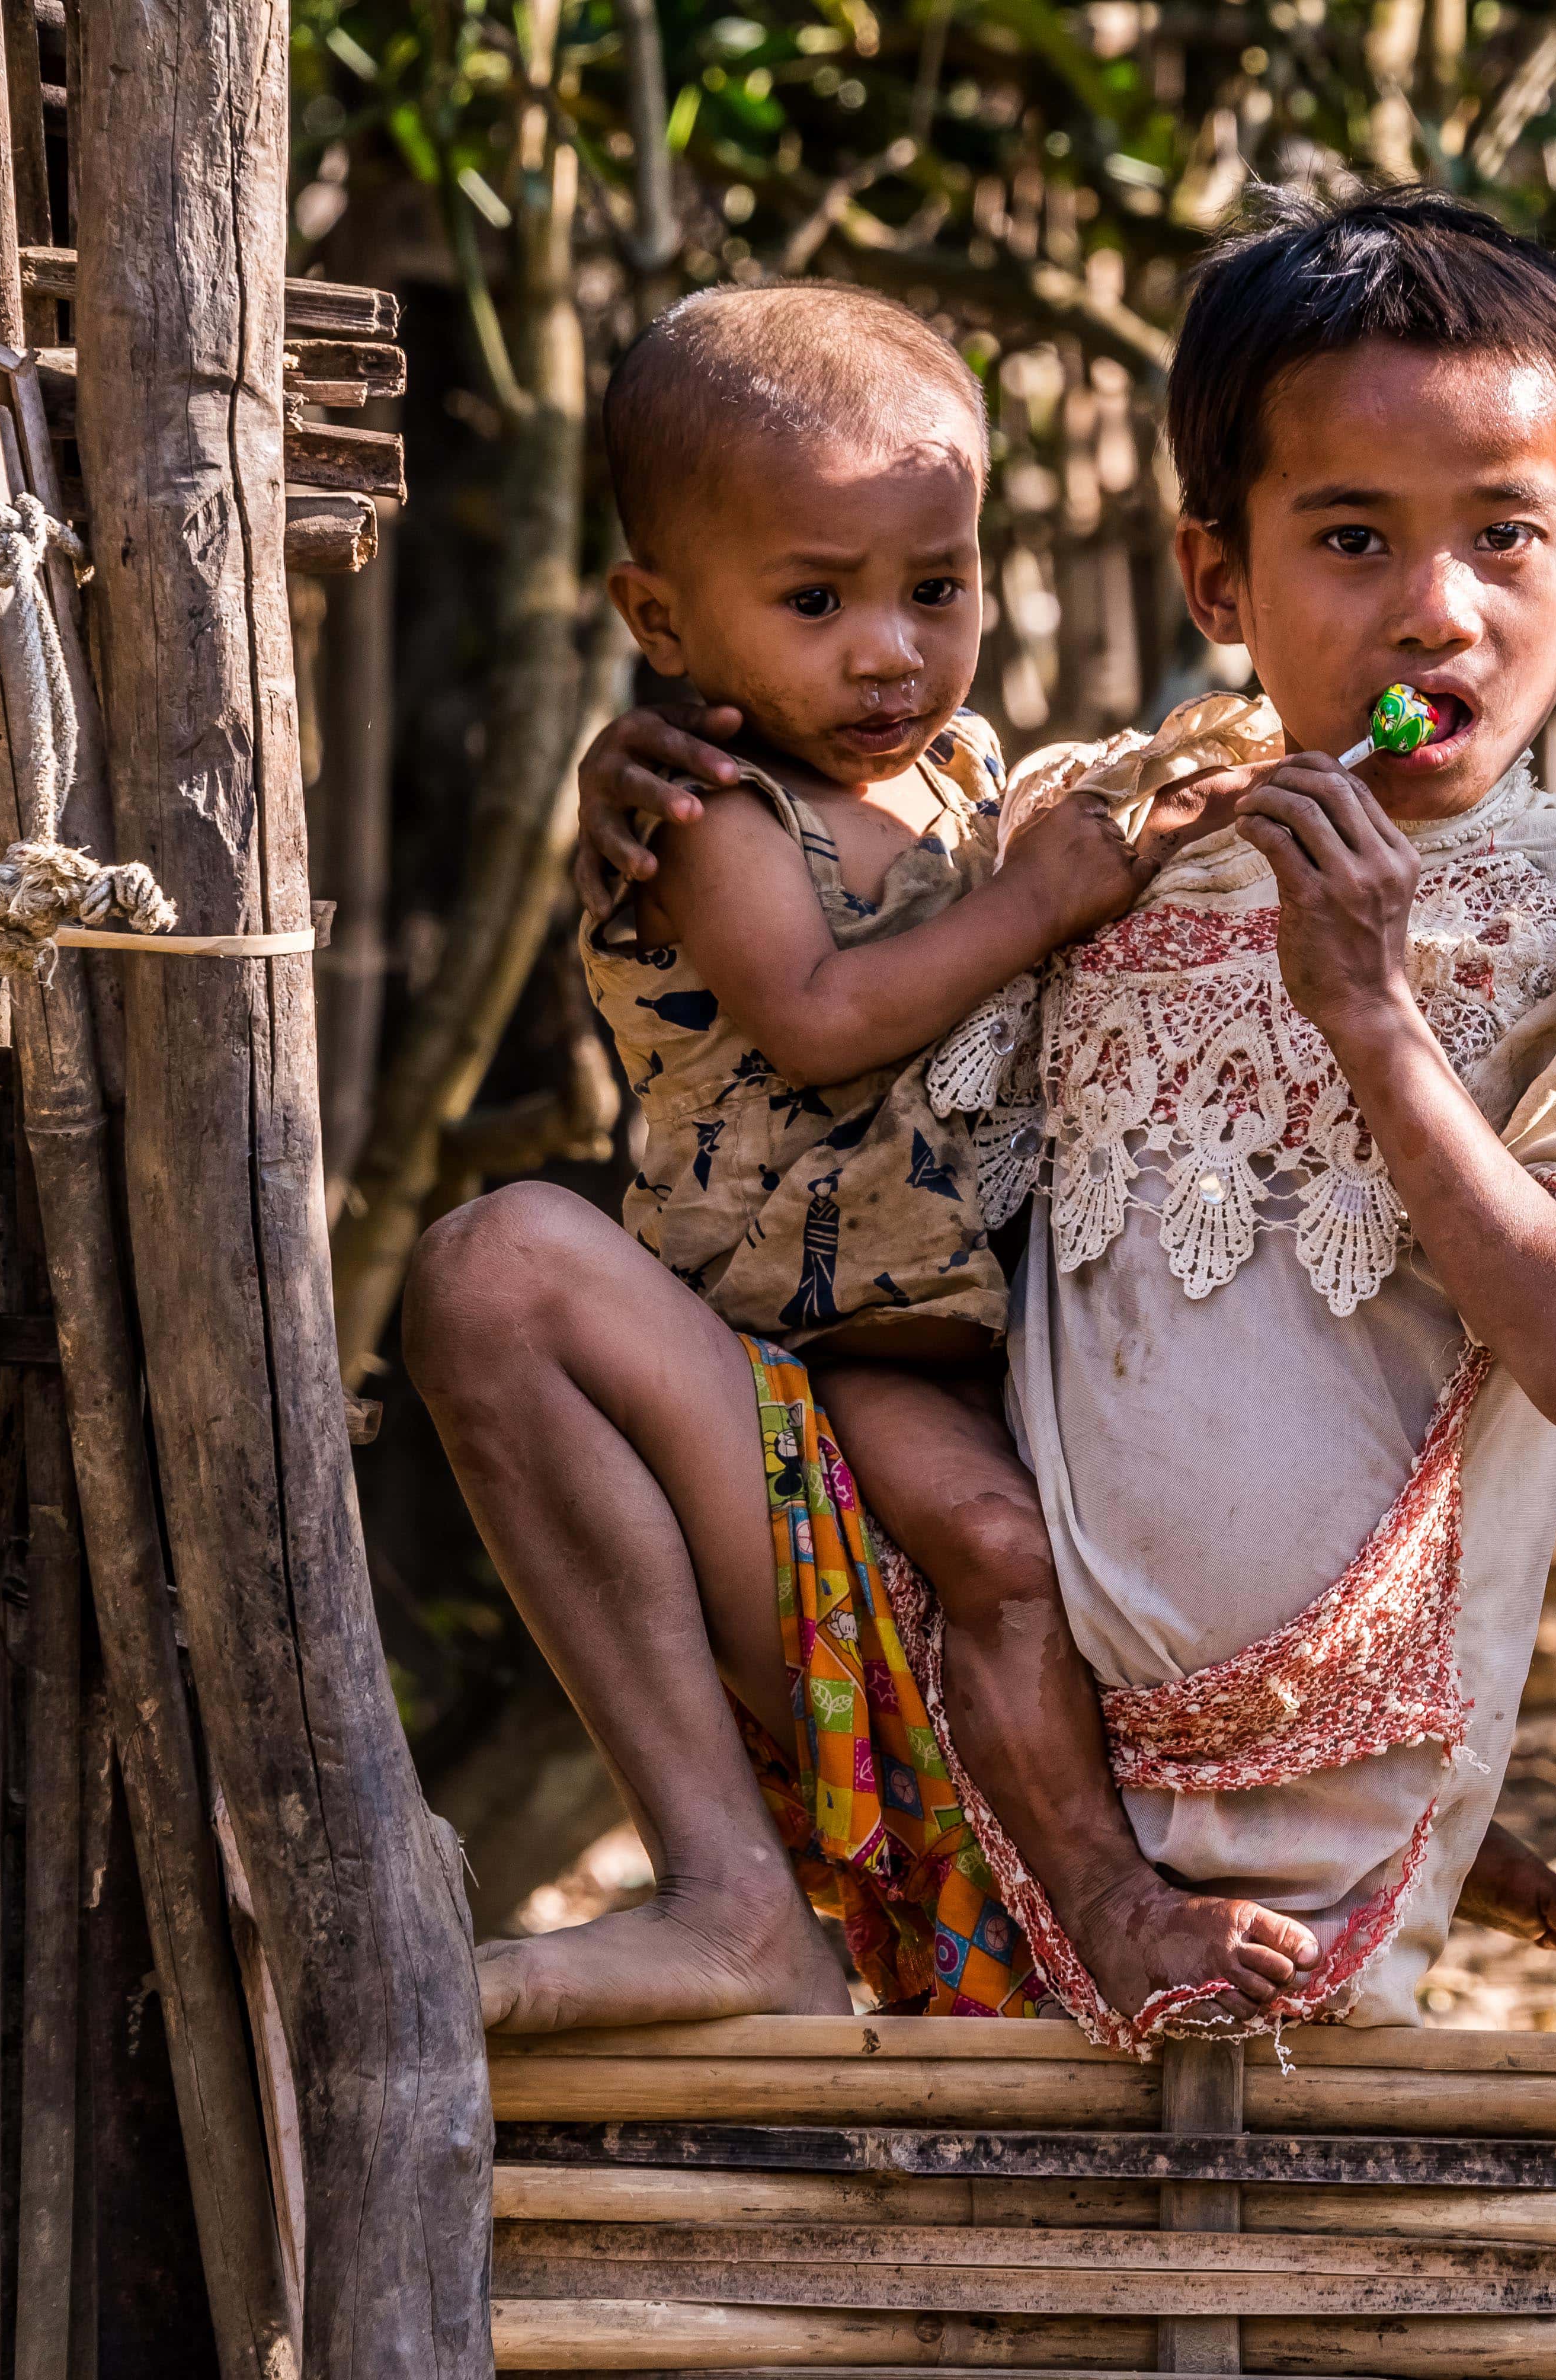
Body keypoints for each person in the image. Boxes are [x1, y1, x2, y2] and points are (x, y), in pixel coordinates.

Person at [440, 190, 1556, 2043]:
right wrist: (670, 763)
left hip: (1285, 1851)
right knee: (498, 1273)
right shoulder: (1108, 825)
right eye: (1350, 538)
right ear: (1220, 584)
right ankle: (731, 1898)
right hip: (949, 1700)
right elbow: (839, 873)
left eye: (1508, 539)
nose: (1436, 608)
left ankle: (1110, 1910)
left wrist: (1366, 1013)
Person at [430, 277, 1320, 2034]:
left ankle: (1190, 1866)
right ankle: (1095, 1908)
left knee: (1027, 1545)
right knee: (986, 1540)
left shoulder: (965, 771)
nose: (890, 651)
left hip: (958, 1335)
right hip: (797, 1350)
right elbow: (825, 1015)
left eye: (938, 588)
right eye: (816, 601)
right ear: (658, 617)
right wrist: (1048, 893)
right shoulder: (707, 811)